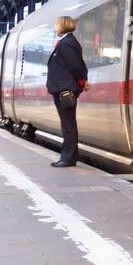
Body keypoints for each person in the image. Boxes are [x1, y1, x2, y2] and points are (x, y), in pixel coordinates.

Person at [46, 15, 88, 167]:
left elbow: (76, 66)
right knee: (68, 124)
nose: (55, 27)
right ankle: (70, 156)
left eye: (56, 25)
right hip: (64, 89)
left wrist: (82, 82)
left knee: (68, 125)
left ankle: (68, 158)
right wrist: (83, 81)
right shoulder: (68, 42)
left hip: (65, 90)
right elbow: (80, 64)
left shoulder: (67, 43)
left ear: (61, 26)